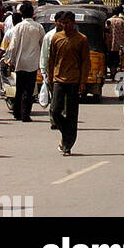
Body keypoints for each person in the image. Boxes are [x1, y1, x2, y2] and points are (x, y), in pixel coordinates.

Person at [47, 10, 90, 155]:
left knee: (72, 113)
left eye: (66, 23)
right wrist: (50, 77)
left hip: (74, 80)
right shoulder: (56, 38)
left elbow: (85, 62)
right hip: (59, 79)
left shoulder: (81, 39)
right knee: (55, 110)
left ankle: (67, 145)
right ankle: (68, 133)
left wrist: (83, 82)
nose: (64, 25)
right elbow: (51, 59)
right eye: (62, 22)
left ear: (73, 22)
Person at [6, 1, 44, 121]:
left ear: (22, 15)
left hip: (20, 63)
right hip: (32, 63)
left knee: (19, 89)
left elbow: (13, 46)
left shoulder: (18, 27)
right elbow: (42, 44)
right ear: (33, 14)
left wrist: (10, 61)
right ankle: (26, 114)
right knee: (30, 90)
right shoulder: (38, 27)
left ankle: (17, 113)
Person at [105, 6, 124, 78]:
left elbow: (106, 32)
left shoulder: (109, 21)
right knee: (117, 58)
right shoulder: (122, 21)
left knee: (111, 58)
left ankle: (112, 72)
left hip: (110, 44)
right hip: (119, 44)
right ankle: (116, 72)